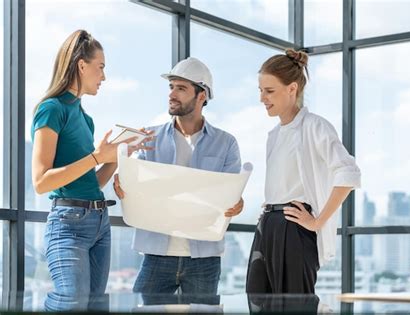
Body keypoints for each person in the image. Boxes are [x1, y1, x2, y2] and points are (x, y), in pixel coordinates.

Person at [31, 30, 148, 311]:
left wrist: (116, 156)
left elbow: (90, 182)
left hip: (99, 222)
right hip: (68, 225)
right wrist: (97, 155)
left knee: (95, 307)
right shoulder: (51, 109)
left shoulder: (86, 119)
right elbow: (41, 181)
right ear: (82, 65)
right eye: (101, 67)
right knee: (70, 304)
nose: (104, 77)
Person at [113, 57, 244, 300]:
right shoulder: (148, 138)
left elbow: (231, 193)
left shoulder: (226, 143)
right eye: (171, 87)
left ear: (201, 95)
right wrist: (122, 182)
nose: (172, 94)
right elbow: (133, 184)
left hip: (204, 259)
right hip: (156, 255)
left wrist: (238, 203)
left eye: (181, 88)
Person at [246, 49, 361, 294]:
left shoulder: (315, 126)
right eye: (260, 90)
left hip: (294, 227)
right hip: (268, 225)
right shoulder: (274, 135)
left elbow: (348, 173)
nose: (262, 98)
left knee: (295, 304)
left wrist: (318, 221)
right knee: (256, 299)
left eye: (269, 91)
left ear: (292, 89)